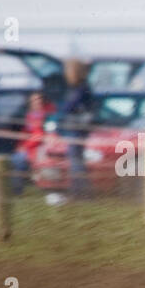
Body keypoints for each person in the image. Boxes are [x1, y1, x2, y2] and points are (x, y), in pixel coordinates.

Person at [58, 59, 93, 199]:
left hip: (78, 129)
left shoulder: (81, 88)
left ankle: (79, 192)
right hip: (77, 128)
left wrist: (62, 109)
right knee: (76, 160)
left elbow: (69, 106)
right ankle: (81, 191)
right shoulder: (80, 87)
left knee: (75, 160)